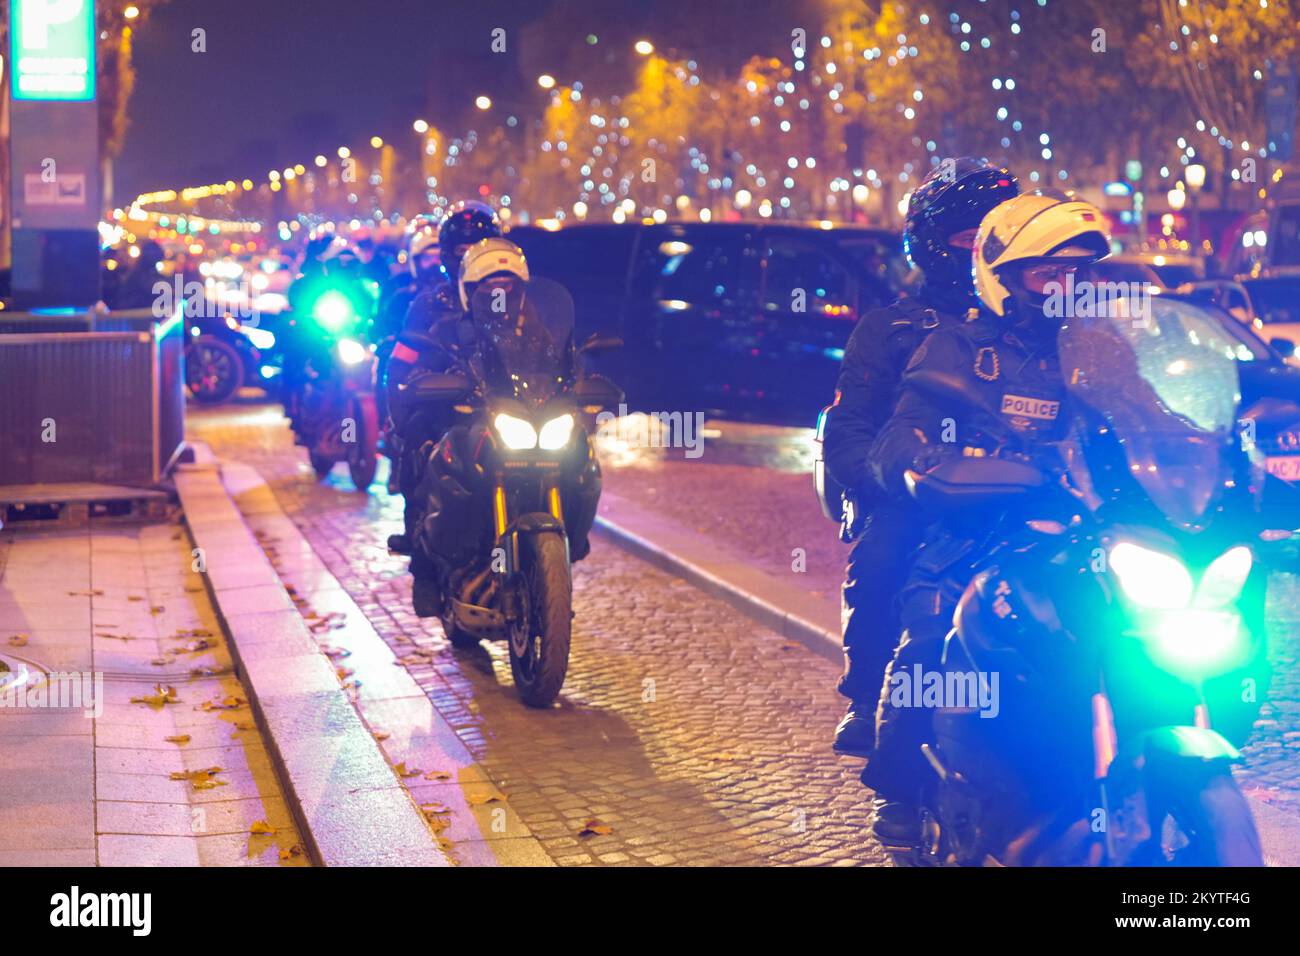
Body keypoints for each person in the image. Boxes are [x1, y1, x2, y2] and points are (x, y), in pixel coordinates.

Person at [861, 192, 1113, 843]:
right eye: (1049, 273)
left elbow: (1161, 427)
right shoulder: (959, 348)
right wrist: (928, 460)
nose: (1067, 288)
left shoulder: (1105, 352)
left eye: (1080, 274)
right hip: (980, 540)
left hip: (1089, 548)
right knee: (930, 637)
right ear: (1003, 277)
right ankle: (908, 794)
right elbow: (899, 436)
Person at [823, 158, 1019, 756]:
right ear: (935, 244)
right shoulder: (889, 327)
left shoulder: (1032, 324)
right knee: (884, 561)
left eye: (991, 237)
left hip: (1013, 495)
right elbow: (851, 425)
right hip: (916, 491)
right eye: (967, 238)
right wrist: (887, 483)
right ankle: (868, 694)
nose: (979, 251)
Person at [384, 201, 503, 615]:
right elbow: (403, 358)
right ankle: (426, 568)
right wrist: (410, 388)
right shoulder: (430, 302)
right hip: (447, 406)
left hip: (506, 406)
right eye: (463, 246)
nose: (472, 253)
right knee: (421, 453)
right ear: (449, 252)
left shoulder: (516, 298)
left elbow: (544, 345)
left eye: (481, 244)